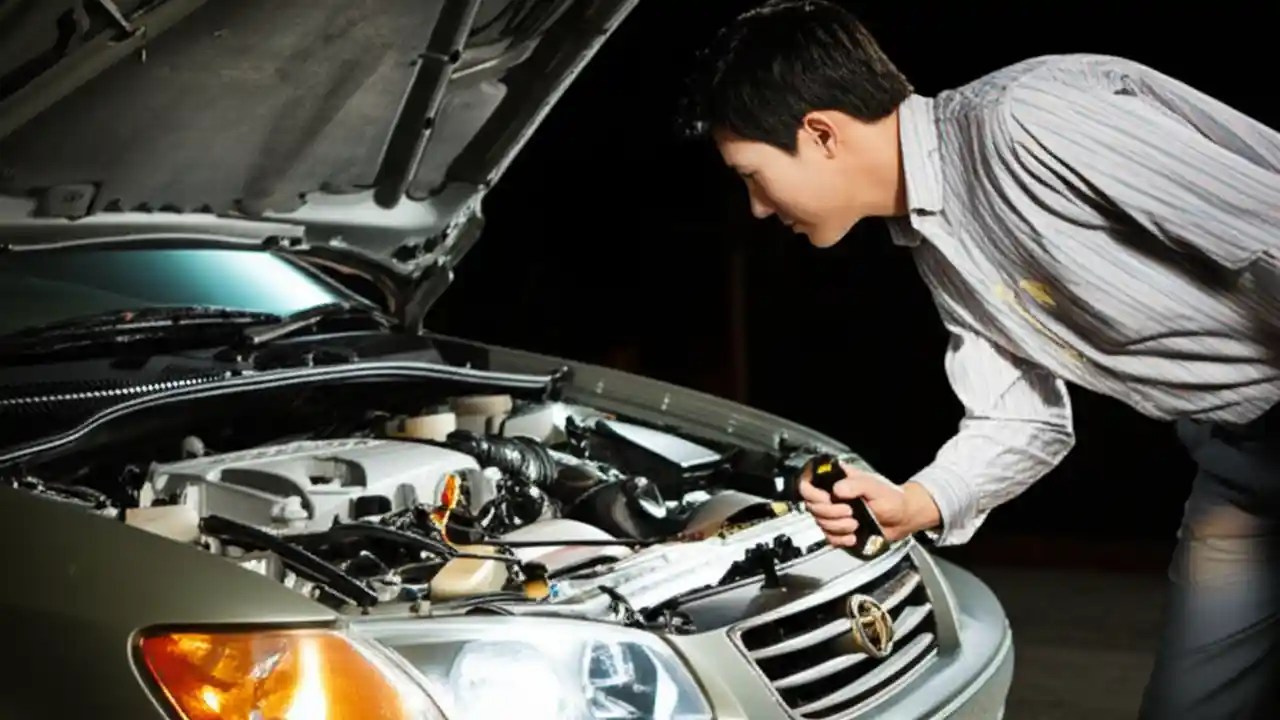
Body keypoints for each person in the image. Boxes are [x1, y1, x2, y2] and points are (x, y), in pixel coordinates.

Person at [676, 1, 1280, 718]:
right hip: (1241, 459)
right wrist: (915, 503)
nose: (757, 208)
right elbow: (1024, 418)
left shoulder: (1027, 120)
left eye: (750, 174)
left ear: (820, 133)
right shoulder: (941, 240)